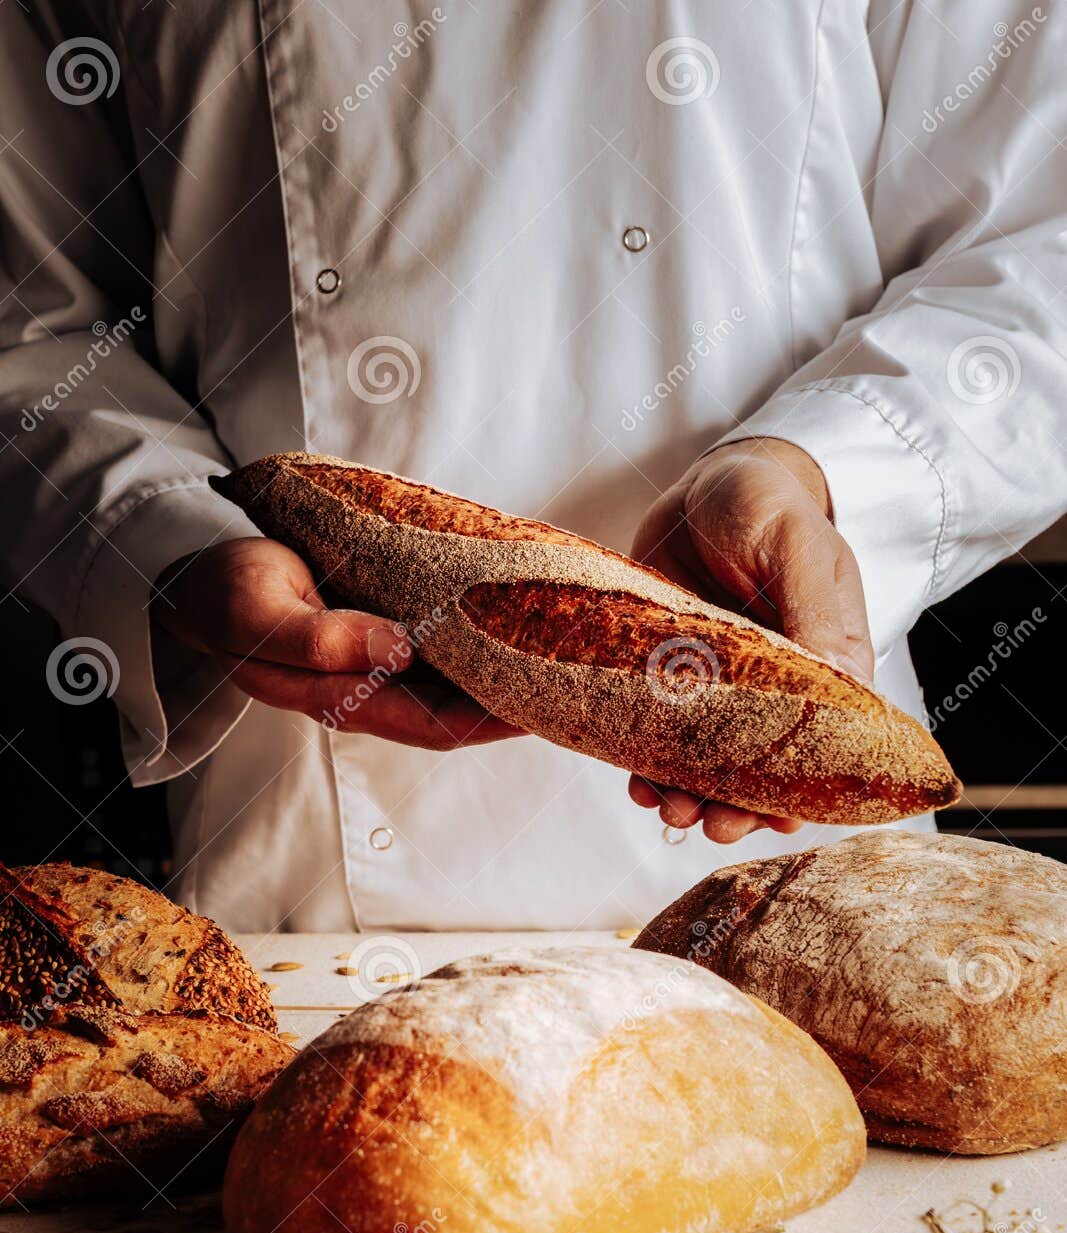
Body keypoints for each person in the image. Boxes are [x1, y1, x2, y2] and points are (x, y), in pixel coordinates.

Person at [1, 2, 1063, 932]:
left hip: (792, 886)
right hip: (309, 881)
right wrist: (171, 538)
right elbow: (35, 325)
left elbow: (1040, 245)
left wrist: (817, 474)